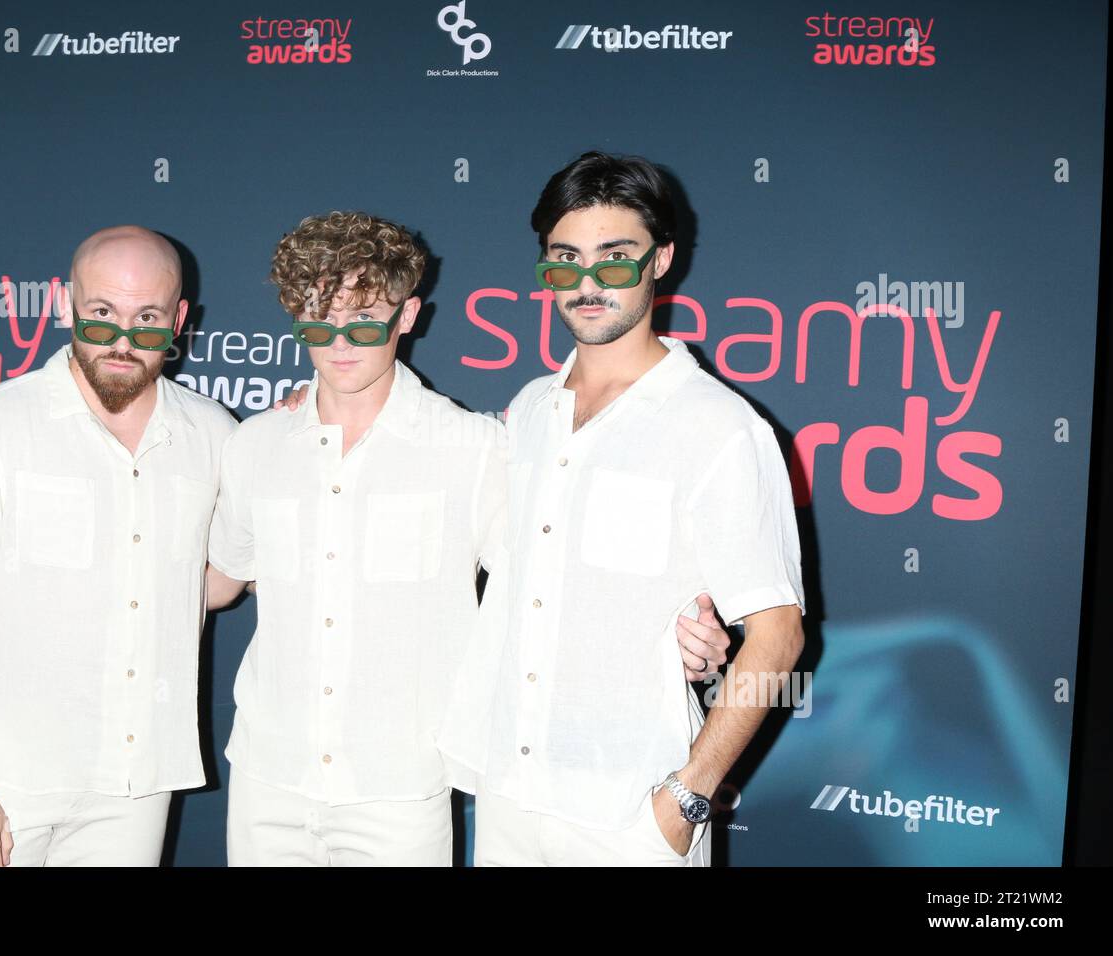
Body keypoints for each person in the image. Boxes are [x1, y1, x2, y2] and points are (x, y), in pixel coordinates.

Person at [209, 210, 733, 866]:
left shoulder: (474, 449)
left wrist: (678, 628)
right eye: (319, 317)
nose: (340, 340)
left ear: (408, 315)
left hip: (401, 791)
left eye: (364, 316)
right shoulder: (255, 444)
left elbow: (558, 582)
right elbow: (225, 576)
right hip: (266, 782)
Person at [448, 151, 807, 866]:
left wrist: (688, 798)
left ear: (661, 259)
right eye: (564, 259)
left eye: (614, 259)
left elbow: (779, 638)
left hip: (628, 815)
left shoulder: (720, 426)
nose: (587, 283)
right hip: (507, 793)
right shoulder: (527, 411)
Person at [0, 225, 236, 866]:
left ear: (179, 319)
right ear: (65, 305)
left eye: (148, 318)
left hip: (137, 786)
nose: (124, 340)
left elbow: (213, 583)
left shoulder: (212, 434)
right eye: (102, 314)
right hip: (2, 780)